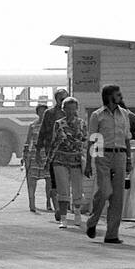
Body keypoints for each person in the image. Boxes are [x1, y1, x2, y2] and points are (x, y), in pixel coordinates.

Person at [85, 84, 133, 244]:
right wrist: (88, 163)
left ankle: (112, 234)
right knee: (105, 190)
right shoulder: (97, 115)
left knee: (117, 196)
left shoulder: (124, 114)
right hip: (102, 153)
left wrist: (129, 159)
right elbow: (92, 139)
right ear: (109, 96)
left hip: (120, 154)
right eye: (117, 94)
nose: (121, 97)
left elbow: (127, 138)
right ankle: (92, 221)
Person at [49, 96, 89, 229]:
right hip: (60, 160)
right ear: (64, 109)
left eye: (73, 108)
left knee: (78, 188)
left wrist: (87, 159)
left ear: (76, 109)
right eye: (68, 109)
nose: (71, 111)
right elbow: (54, 141)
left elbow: (85, 141)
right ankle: (63, 218)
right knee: (63, 189)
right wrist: (49, 159)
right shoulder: (58, 124)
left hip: (76, 160)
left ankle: (77, 214)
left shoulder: (82, 123)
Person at [21, 104, 53, 213]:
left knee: (49, 180)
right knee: (32, 180)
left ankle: (48, 202)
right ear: (37, 113)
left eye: (44, 112)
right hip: (34, 155)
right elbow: (28, 141)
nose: (42, 114)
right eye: (40, 111)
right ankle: (32, 203)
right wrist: (25, 154)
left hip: (46, 155)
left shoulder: (50, 126)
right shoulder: (33, 125)